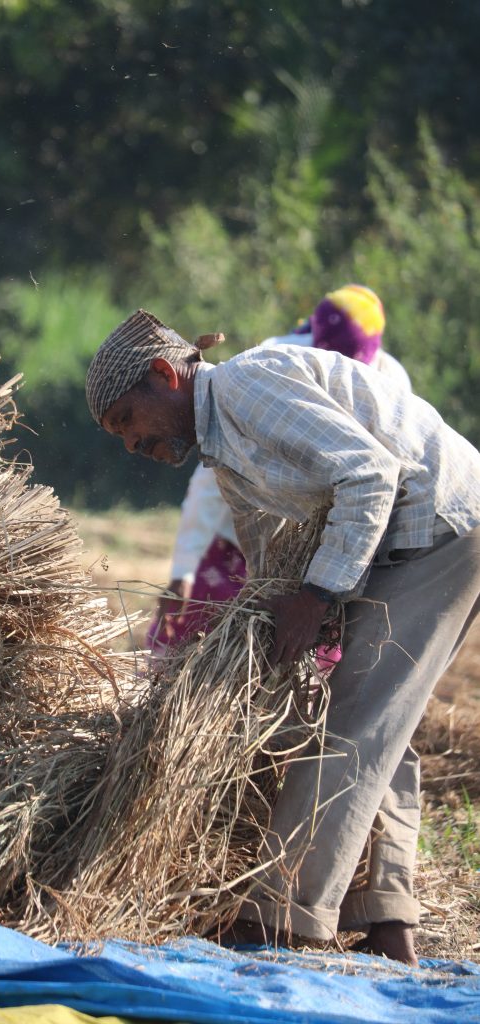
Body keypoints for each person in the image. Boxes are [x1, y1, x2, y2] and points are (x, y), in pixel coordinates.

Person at [84, 308, 480, 966]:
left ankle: (283, 917)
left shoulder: (246, 387)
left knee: (351, 722)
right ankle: (387, 922)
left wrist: (319, 595)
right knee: (383, 727)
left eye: (127, 420)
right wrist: (252, 644)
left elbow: (368, 474)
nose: (131, 445)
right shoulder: (225, 450)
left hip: (439, 528)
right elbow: (275, 560)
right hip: (409, 542)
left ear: (164, 376)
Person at [148, 285, 411, 658]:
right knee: (198, 631)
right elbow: (211, 476)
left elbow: (375, 476)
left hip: (338, 539)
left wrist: (320, 590)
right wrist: (185, 567)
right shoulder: (268, 366)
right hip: (240, 535)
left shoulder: (388, 379)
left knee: (328, 649)